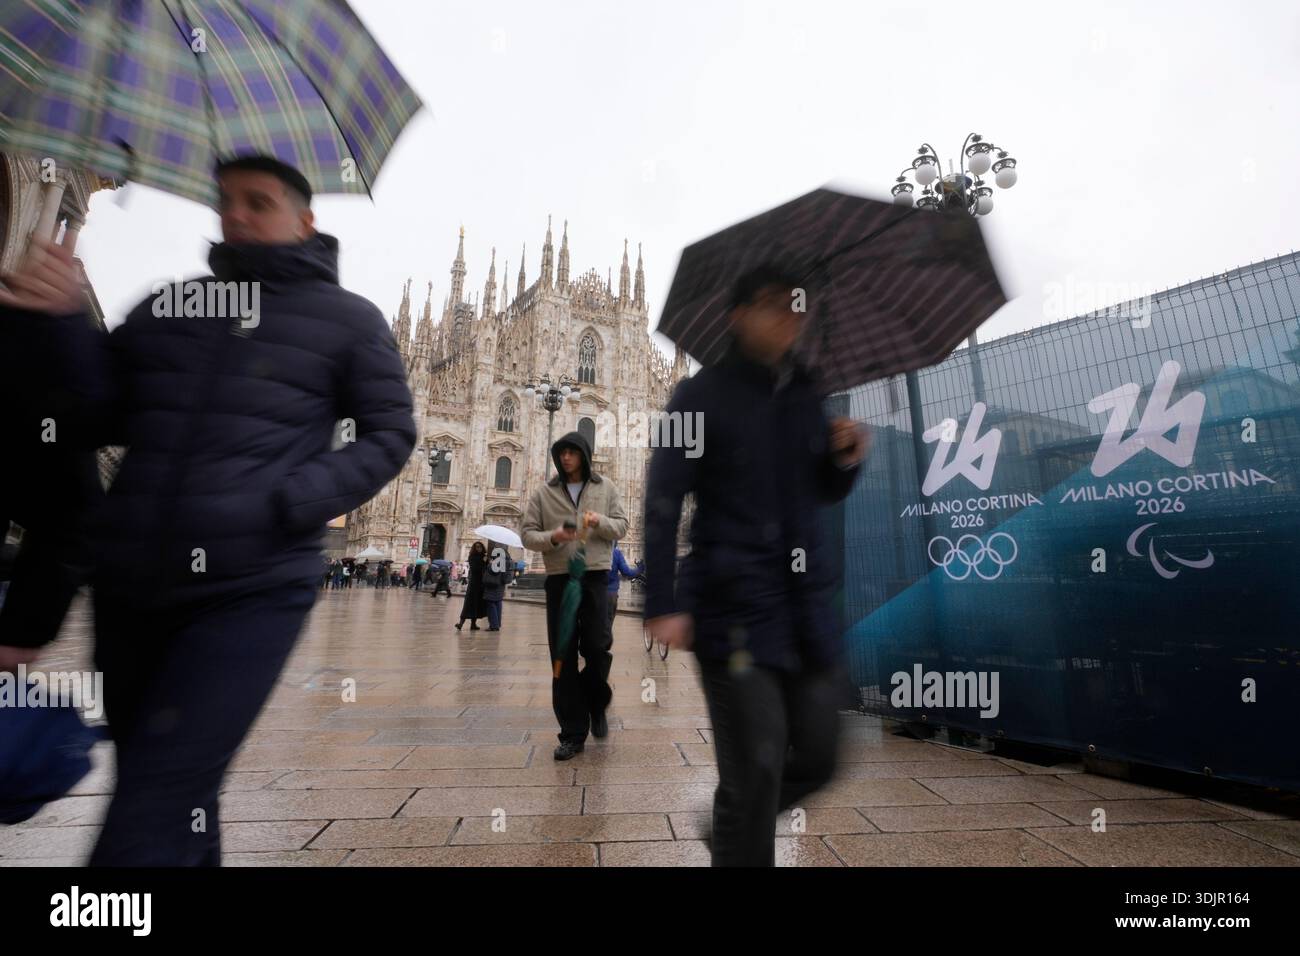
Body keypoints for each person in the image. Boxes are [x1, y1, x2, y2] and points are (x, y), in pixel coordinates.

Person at [0, 154, 416, 866]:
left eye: (260, 202)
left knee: (155, 801)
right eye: (228, 202)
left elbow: (390, 433)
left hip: (249, 588)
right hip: (132, 588)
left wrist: (294, 500)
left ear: (304, 220)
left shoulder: (348, 320)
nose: (239, 216)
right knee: (169, 791)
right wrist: (63, 323)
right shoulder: (172, 305)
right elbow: (92, 415)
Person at [643, 264, 869, 866]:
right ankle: (742, 826)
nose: (790, 316)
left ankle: (735, 821)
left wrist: (844, 461)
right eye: (775, 305)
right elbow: (663, 497)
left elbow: (819, 491)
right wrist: (662, 602)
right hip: (731, 606)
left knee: (821, 753)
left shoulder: (806, 393)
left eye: (798, 306)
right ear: (737, 315)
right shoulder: (700, 395)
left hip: (804, 608)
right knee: (758, 761)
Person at [521, 432, 628, 760]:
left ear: (584, 455)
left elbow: (622, 526)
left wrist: (600, 521)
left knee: (597, 647)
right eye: (561, 453)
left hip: (594, 575)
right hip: (559, 579)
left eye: (572, 452)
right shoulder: (544, 493)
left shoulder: (605, 487)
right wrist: (553, 536)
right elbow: (526, 535)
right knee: (562, 657)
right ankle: (572, 732)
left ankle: (596, 703)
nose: (566, 458)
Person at [605, 545, 639, 641]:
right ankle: (604, 646)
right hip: (611, 593)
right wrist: (640, 569)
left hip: (593, 590)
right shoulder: (616, 553)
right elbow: (627, 572)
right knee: (608, 622)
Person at [455, 542, 487, 630]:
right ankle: (461, 623)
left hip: (481, 584)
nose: (478, 548)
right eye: (477, 547)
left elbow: (486, 569)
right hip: (473, 584)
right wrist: (483, 562)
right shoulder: (472, 557)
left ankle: (473, 624)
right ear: (474, 548)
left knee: (477, 603)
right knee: (468, 603)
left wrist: (486, 561)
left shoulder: (484, 557)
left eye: (480, 547)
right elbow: (475, 569)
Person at [481, 546, 510, 631]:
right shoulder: (508, 560)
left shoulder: (498, 561)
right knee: (498, 603)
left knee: (491, 604)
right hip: (501, 585)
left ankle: (494, 625)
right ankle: (497, 624)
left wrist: (489, 563)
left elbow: (493, 571)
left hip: (493, 585)